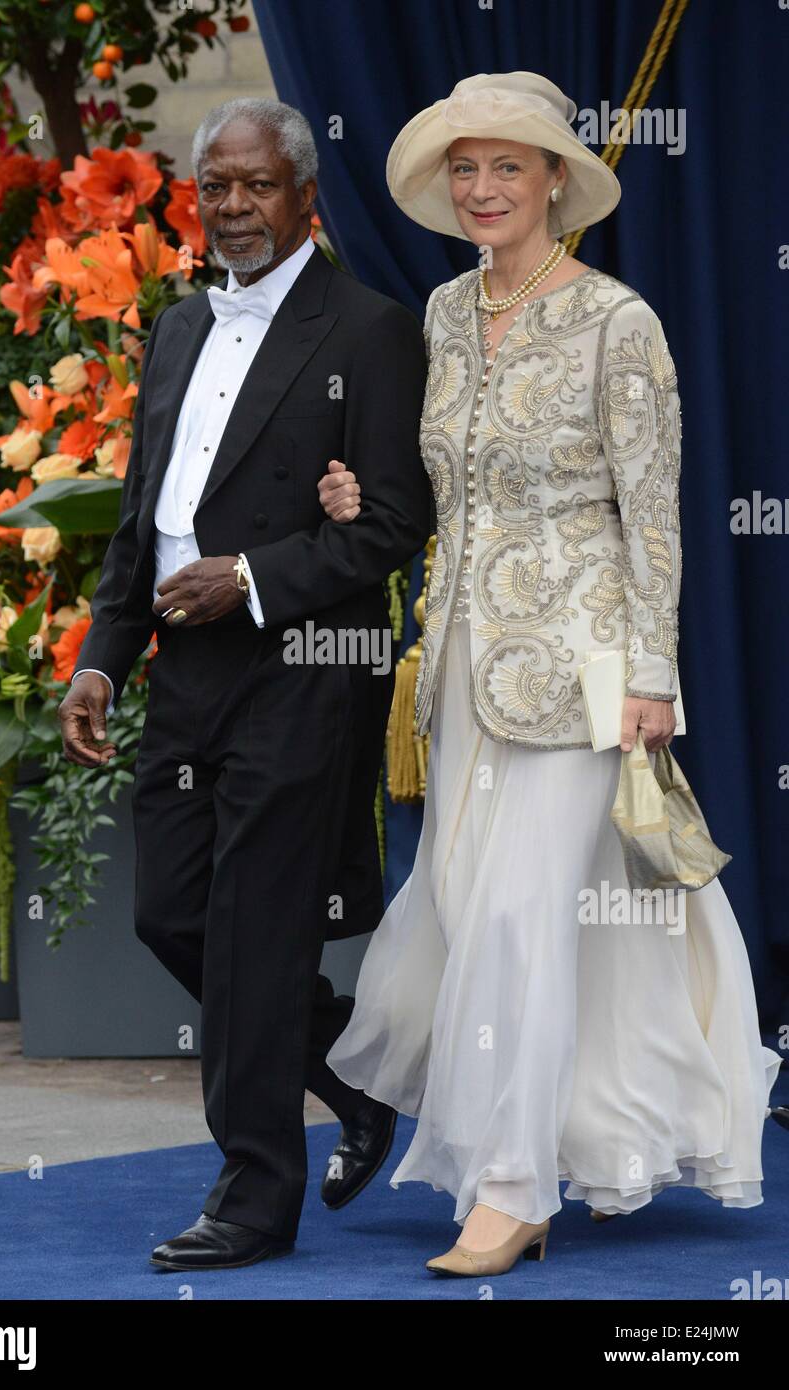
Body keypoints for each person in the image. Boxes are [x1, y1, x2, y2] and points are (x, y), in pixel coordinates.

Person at [322, 72, 782, 1276]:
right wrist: (357, 499)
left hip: (585, 666)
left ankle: (515, 1185)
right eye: (465, 169)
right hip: (465, 659)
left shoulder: (616, 320)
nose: (482, 189)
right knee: (478, 908)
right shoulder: (439, 311)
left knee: (529, 915)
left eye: (508, 168)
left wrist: (651, 674)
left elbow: (655, 514)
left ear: (554, 183)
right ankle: (526, 1152)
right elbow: (445, 488)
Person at [58, 98, 432, 1270]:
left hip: (302, 665)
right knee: (169, 909)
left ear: (303, 195)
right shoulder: (174, 329)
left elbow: (391, 525)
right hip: (185, 668)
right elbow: (142, 521)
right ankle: (349, 1078)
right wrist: (99, 658)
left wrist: (257, 579)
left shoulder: (368, 330)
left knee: (259, 928)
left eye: (255, 186)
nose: (231, 208)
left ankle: (254, 1195)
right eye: (215, 187)